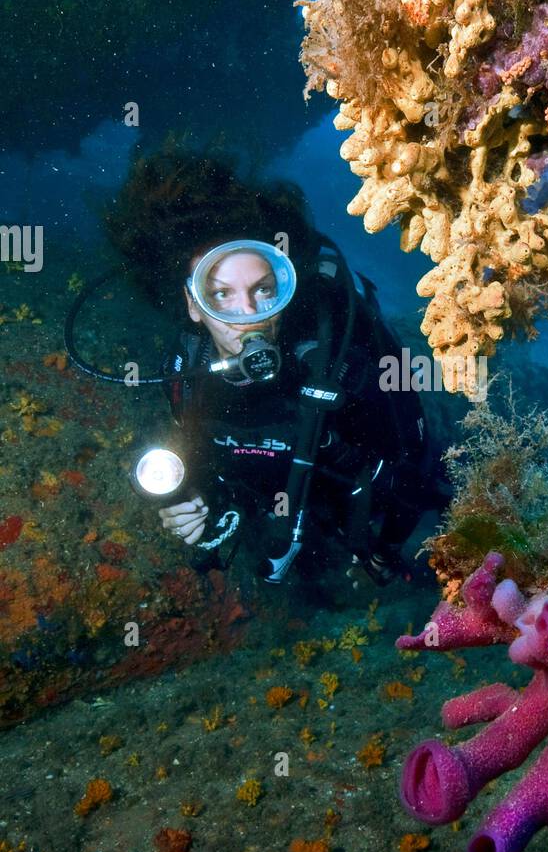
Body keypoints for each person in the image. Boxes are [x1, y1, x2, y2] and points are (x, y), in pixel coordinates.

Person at [104, 150, 444, 586]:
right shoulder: (184, 369)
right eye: (220, 295)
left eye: (263, 290)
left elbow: (410, 468)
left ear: (285, 289)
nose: (247, 314)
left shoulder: (340, 357)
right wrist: (195, 505)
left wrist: (383, 548)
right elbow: (197, 458)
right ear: (192, 305)